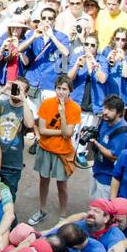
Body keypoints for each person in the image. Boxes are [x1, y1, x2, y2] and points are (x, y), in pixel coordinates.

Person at [31, 75, 80, 225]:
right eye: (58, 88)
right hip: (46, 149)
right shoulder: (47, 103)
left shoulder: (75, 108)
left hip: (63, 152)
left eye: (64, 89)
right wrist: (62, 132)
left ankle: (63, 215)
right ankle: (42, 209)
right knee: (43, 180)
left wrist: (63, 113)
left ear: (70, 91)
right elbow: (43, 130)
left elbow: (68, 134)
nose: (61, 92)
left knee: (62, 184)